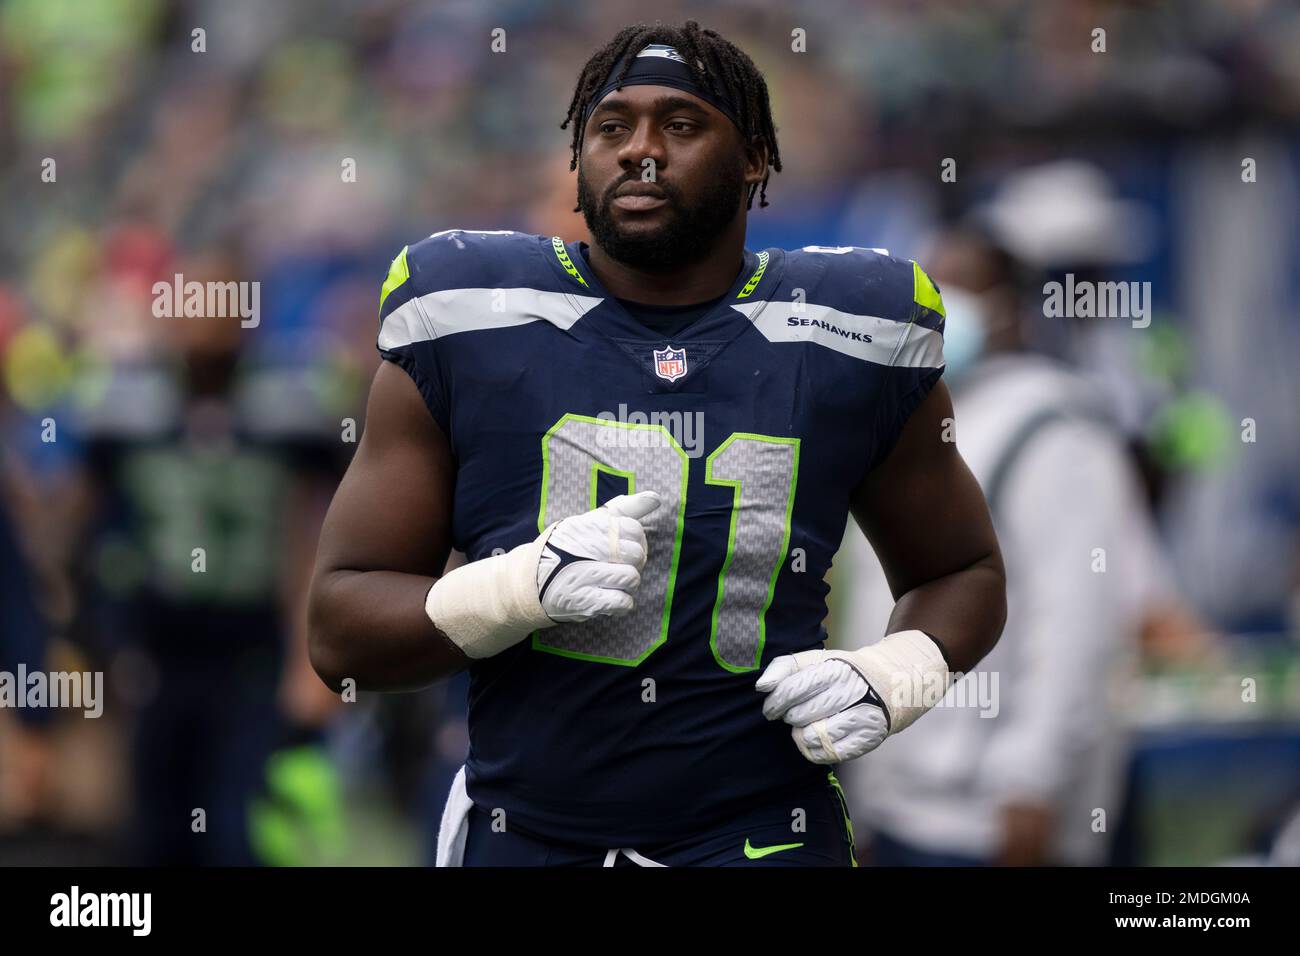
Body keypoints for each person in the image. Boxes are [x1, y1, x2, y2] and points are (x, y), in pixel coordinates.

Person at [309, 21, 1006, 867]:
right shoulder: (468, 320)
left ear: (753, 157)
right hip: (528, 831)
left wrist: (896, 675)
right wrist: (515, 589)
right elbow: (340, 631)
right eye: (611, 127)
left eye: (680, 124)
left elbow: (963, 573)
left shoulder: (846, 330)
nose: (641, 150)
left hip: (761, 834)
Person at [837, 225, 1191, 866]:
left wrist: (1031, 785)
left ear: (1006, 304)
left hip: (992, 824)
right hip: (906, 808)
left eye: (958, 286)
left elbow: (1075, 624)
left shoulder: (1054, 428)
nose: (936, 304)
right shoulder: (915, 418)